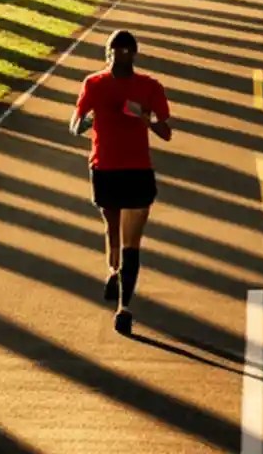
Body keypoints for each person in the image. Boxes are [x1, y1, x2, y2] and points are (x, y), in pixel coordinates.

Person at [69, 30, 172, 336]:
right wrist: (85, 123)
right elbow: (75, 125)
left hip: (137, 169)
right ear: (108, 53)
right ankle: (114, 271)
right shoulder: (94, 84)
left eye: (127, 51)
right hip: (105, 168)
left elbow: (166, 132)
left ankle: (124, 308)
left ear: (135, 54)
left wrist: (146, 120)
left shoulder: (150, 87)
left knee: (131, 243)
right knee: (113, 230)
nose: (121, 56)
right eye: (117, 51)